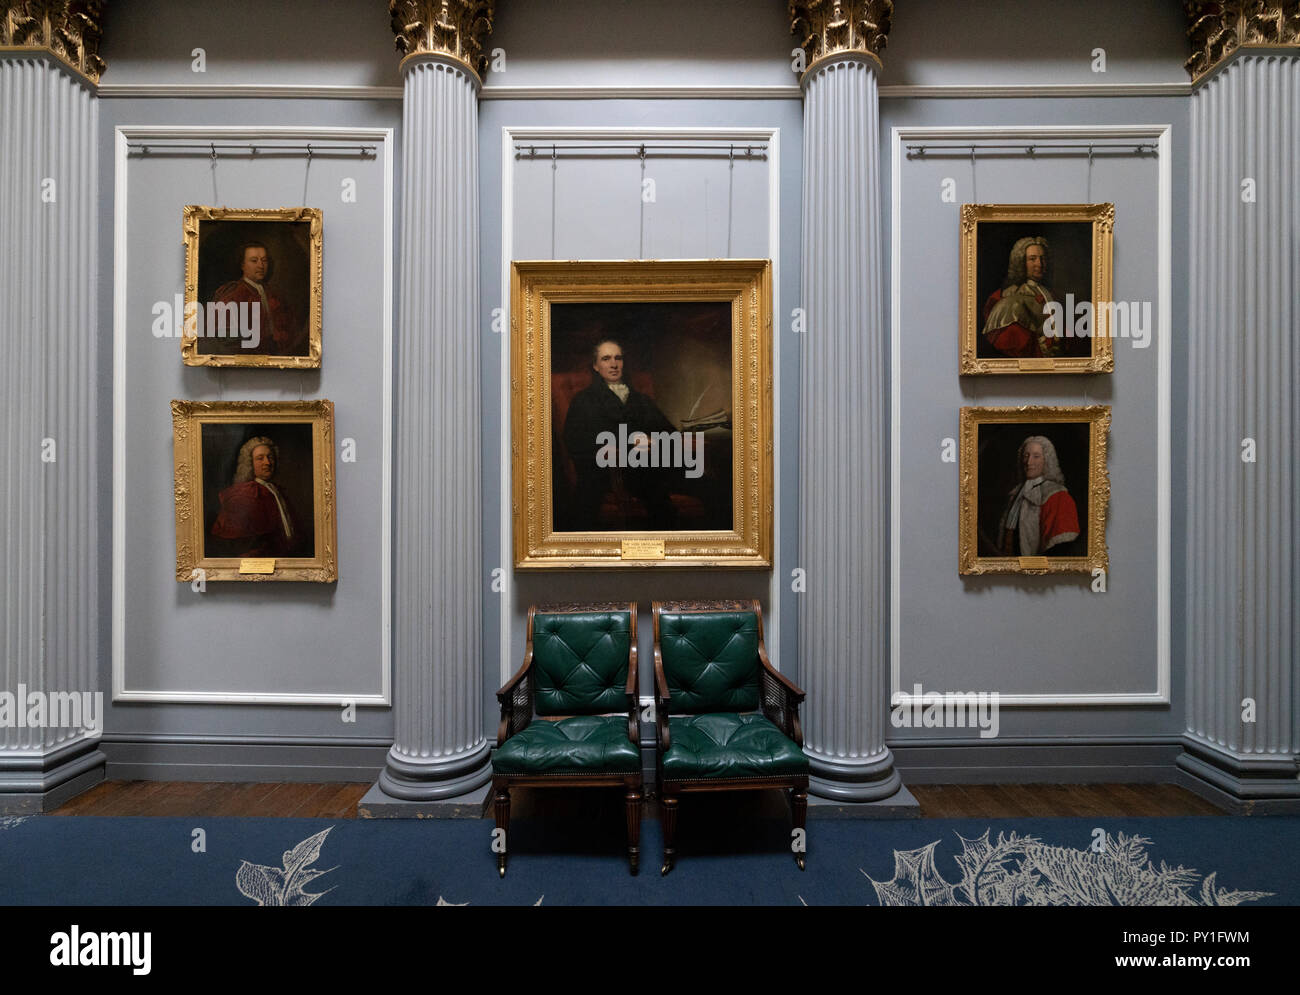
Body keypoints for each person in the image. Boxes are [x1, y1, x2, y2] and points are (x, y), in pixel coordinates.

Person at [560, 338, 680, 531]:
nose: (614, 364)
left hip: (650, 467)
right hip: (606, 474)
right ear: (596, 366)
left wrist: (653, 441)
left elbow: (669, 433)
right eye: (606, 359)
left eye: (618, 358)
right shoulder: (584, 401)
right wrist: (628, 444)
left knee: (704, 485)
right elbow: (575, 441)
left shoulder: (641, 399)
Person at [210, 436, 305, 557]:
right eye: (260, 458)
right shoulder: (244, 494)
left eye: (270, 457)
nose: (267, 462)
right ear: (250, 464)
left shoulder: (277, 491)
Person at [998, 435, 1080, 556]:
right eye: (1026, 455)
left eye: (1036, 456)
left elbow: (1061, 547)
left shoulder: (1058, 495)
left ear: (1047, 460)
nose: (1029, 462)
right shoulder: (1015, 494)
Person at [211, 242, 299, 354]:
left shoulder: (274, 293)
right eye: (254, 261)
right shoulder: (231, 294)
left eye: (264, 260)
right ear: (242, 265)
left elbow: (290, 328)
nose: (261, 266)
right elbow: (223, 336)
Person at [981, 236, 1061, 359]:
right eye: (1032, 259)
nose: (1039, 264)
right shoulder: (1008, 295)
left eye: (1042, 258)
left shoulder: (1049, 293)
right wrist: (1040, 346)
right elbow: (1008, 340)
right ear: (1021, 262)